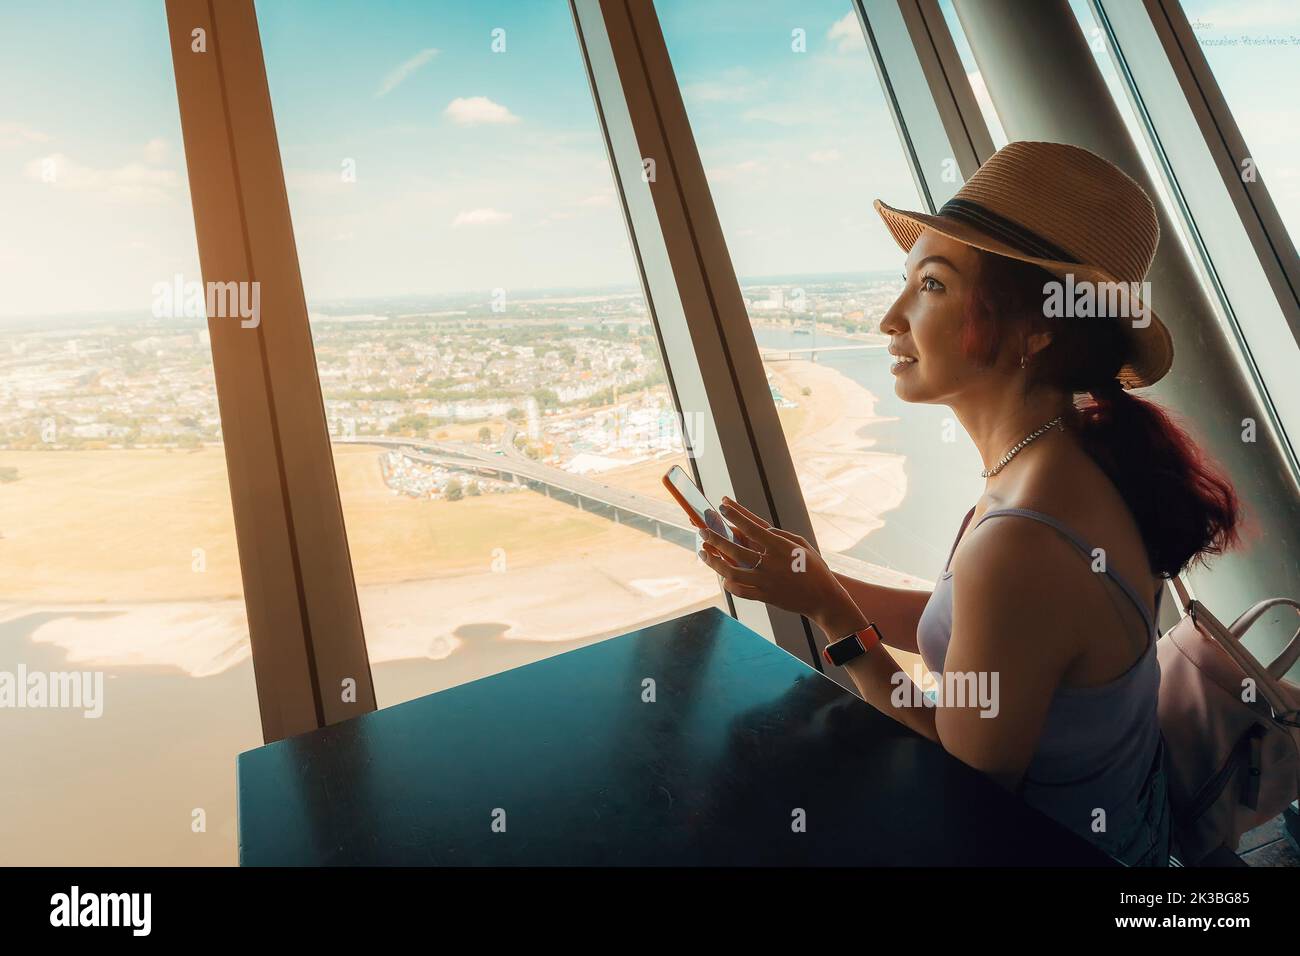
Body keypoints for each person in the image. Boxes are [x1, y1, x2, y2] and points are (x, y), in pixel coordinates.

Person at [696, 141, 1241, 866]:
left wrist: (833, 616)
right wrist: (812, 578)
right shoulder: (1067, 459)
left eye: (932, 286)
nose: (891, 319)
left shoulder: (1025, 538)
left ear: (1035, 329)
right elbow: (986, 631)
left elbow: (969, 780)